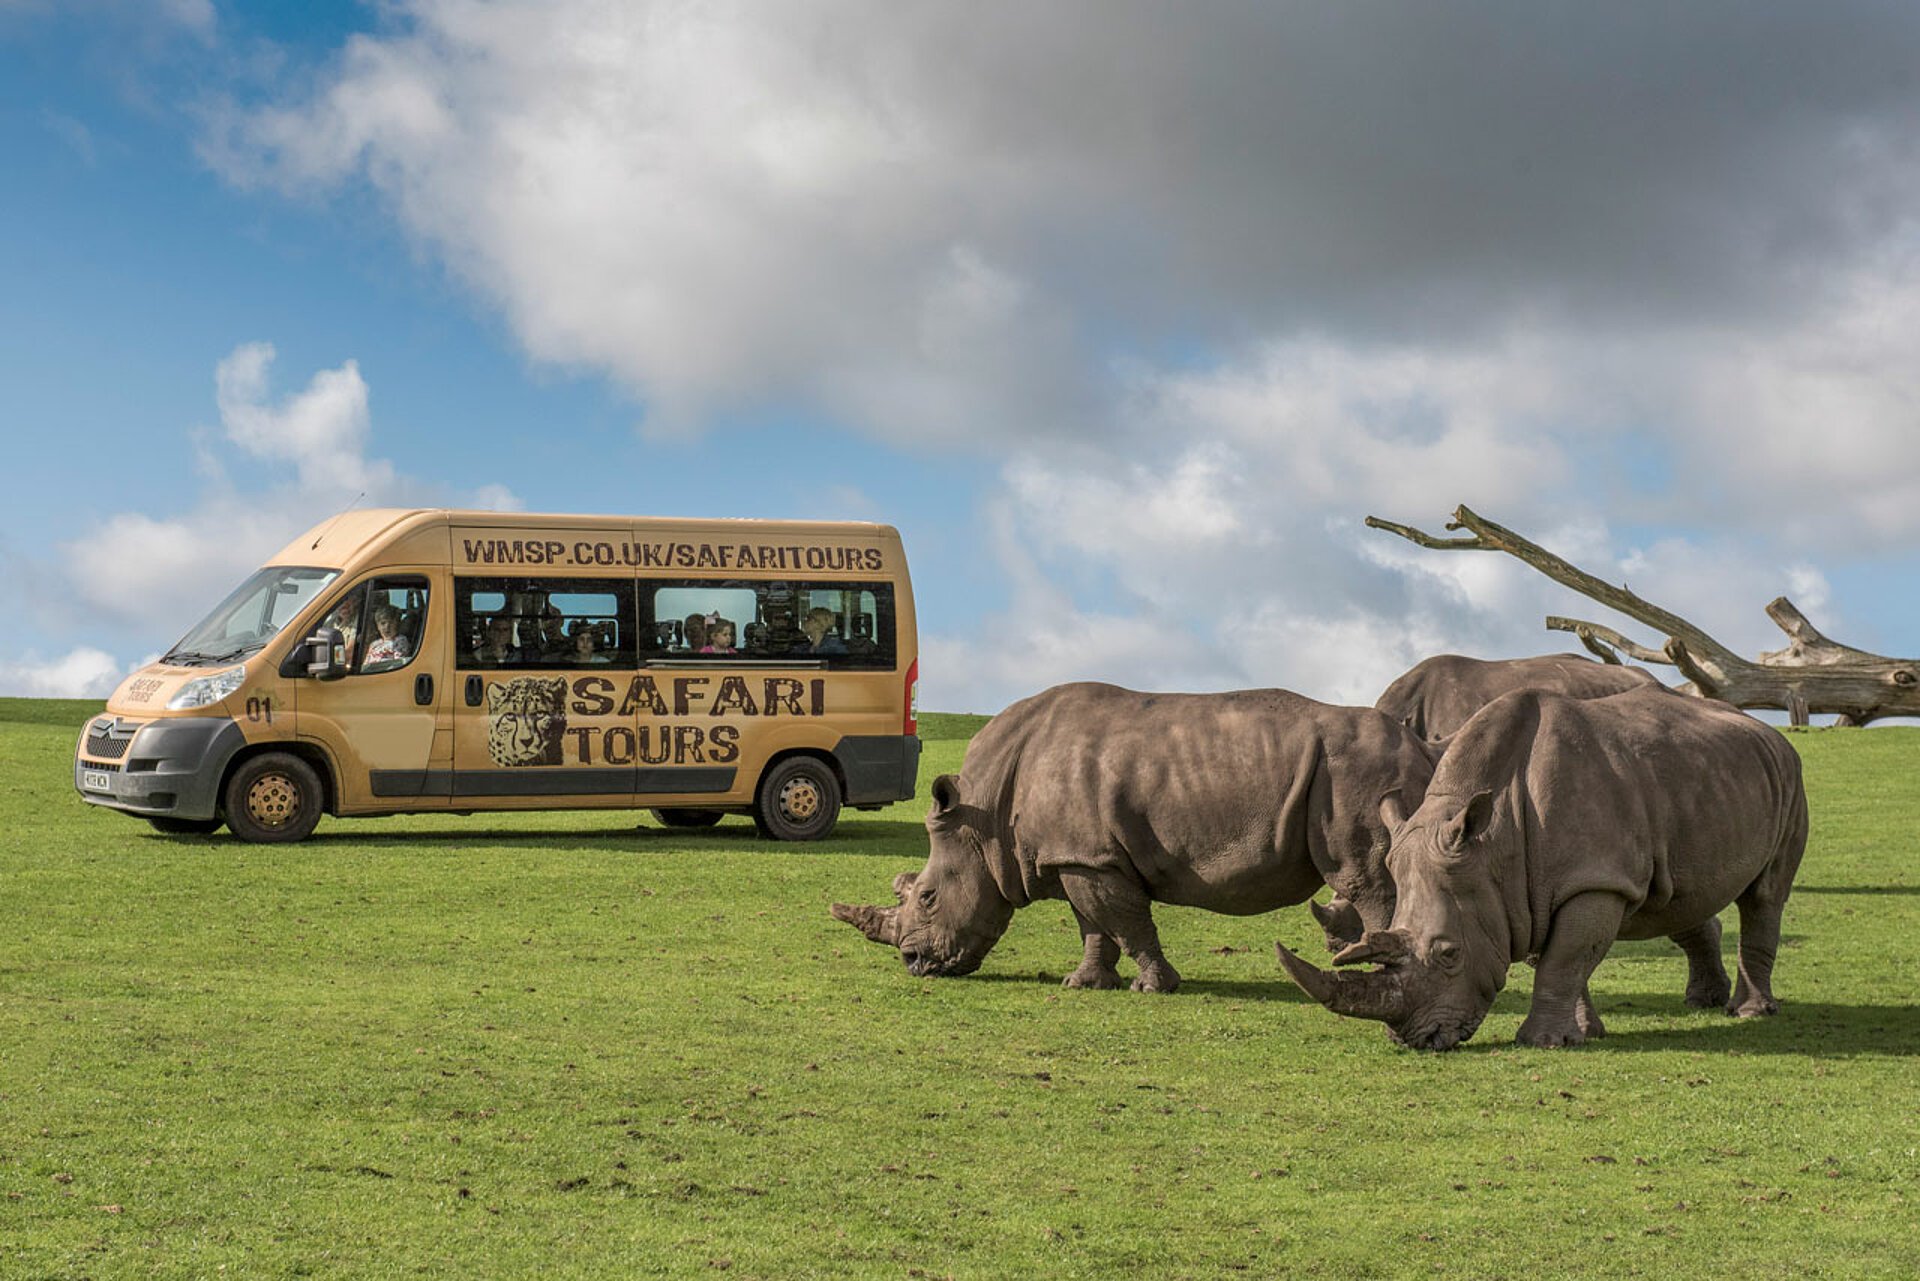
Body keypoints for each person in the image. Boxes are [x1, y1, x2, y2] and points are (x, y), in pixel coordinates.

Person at [360, 604, 412, 670]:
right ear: (378, 626)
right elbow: (365, 666)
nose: (387, 627)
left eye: (391, 623)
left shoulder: (400, 641)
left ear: (398, 624)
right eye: (383, 623)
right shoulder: (374, 644)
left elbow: (398, 664)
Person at [325, 596, 361, 666]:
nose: (345, 605)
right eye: (341, 600)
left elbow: (349, 653)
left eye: (348, 599)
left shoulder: (360, 620)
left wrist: (325, 658)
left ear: (356, 601)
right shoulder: (330, 620)